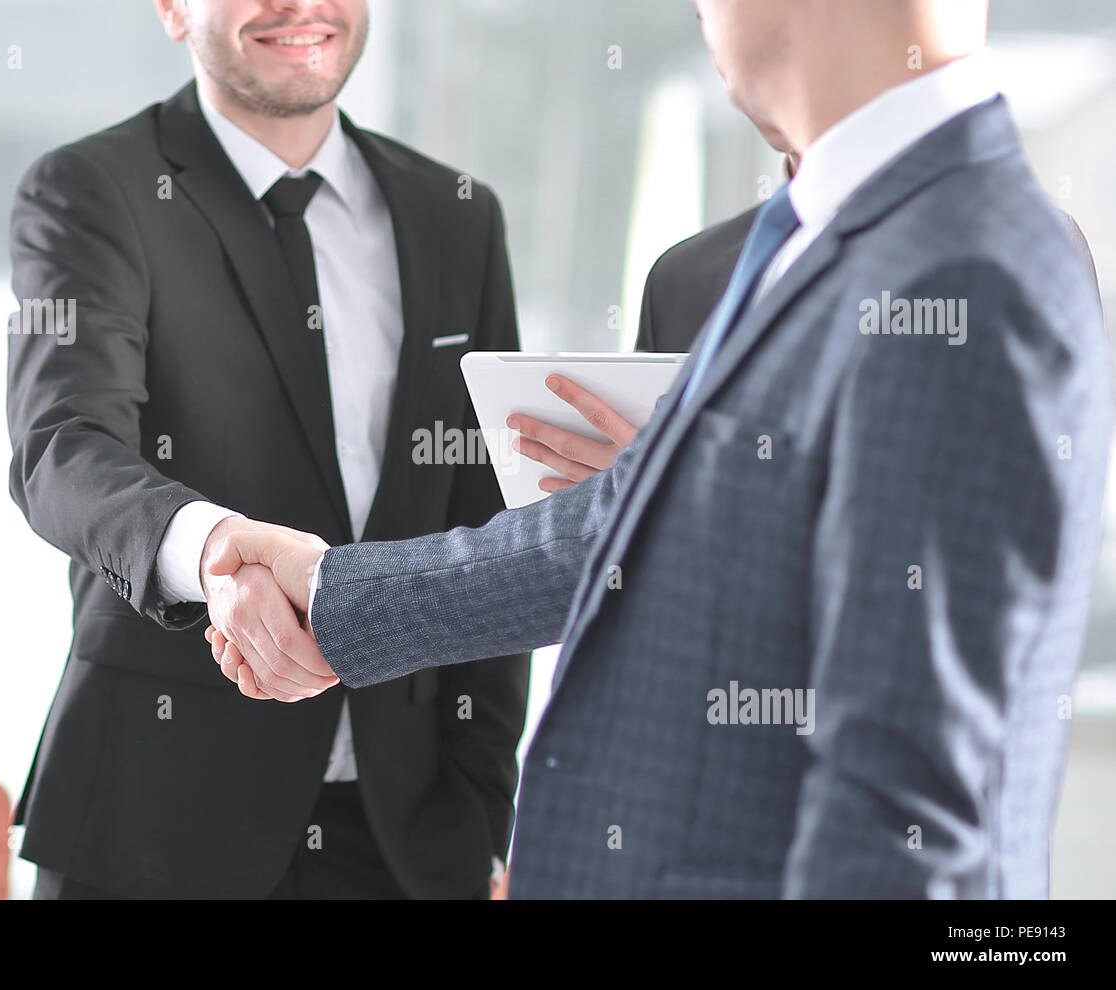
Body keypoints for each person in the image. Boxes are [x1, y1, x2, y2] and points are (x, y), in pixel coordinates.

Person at [204, 0, 1113, 898]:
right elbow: (626, 521)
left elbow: (905, 818)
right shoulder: (827, 239)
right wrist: (333, 597)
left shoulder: (962, 276)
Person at [6, 0, 529, 900]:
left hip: (407, 837)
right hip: (156, 824)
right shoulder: (94, 189)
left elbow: (483, 514)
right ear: (172, 10)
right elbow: (64, 446)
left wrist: (482, 809)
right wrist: (213, 552)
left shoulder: (458, 216)